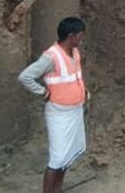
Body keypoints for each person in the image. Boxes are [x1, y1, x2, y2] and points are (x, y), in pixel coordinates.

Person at [18, 17, 88, 193]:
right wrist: (43, 92)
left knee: (66, 157)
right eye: (80, 36)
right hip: (59, 115)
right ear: (71, 36)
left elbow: (73, 77)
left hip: (74, 112)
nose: (81, 39)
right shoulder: (51, 57)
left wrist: (82, 91)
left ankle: (57, 189)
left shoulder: (74, 51)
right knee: (57, 159)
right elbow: (25, 77)